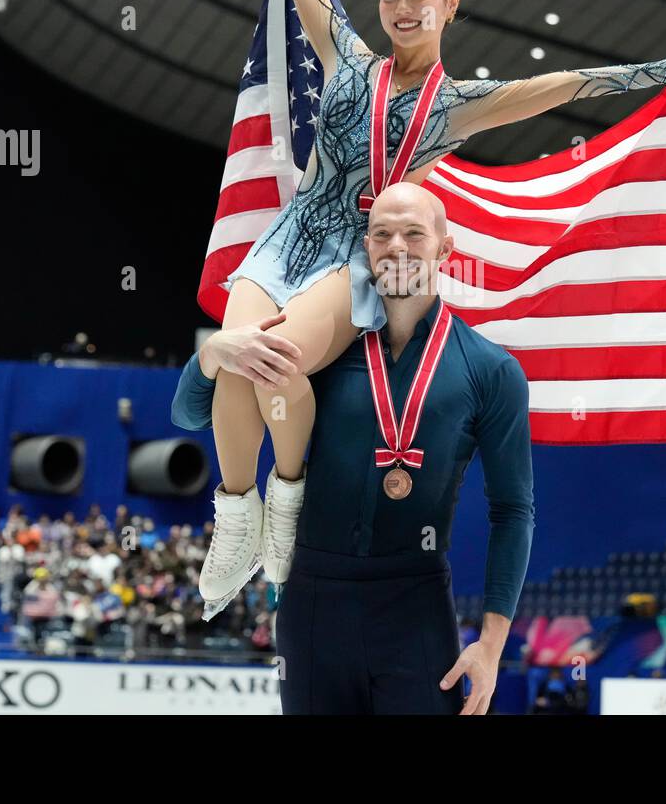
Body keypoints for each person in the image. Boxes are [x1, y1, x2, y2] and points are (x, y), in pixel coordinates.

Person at [194, 0, 666, 615]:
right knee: (237, 351)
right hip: (287, 242)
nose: (402, 9)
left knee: (275, 361)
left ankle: (286, 498)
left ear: (450, 6)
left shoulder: (461, 105)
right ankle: (234, 514)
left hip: (354, 259)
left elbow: (564, 86)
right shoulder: (348, 60)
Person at [174, 183, 534, 714]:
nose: (397, 246)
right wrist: (214, 354)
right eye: (382, 233)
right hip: (313, 603)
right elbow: (187, 414)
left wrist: (492, 643)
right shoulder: (321, 349)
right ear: (365, 247)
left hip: (415, 605)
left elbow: (513, 509)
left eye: (415, 233)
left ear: (445, 248)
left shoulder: (490, 369)